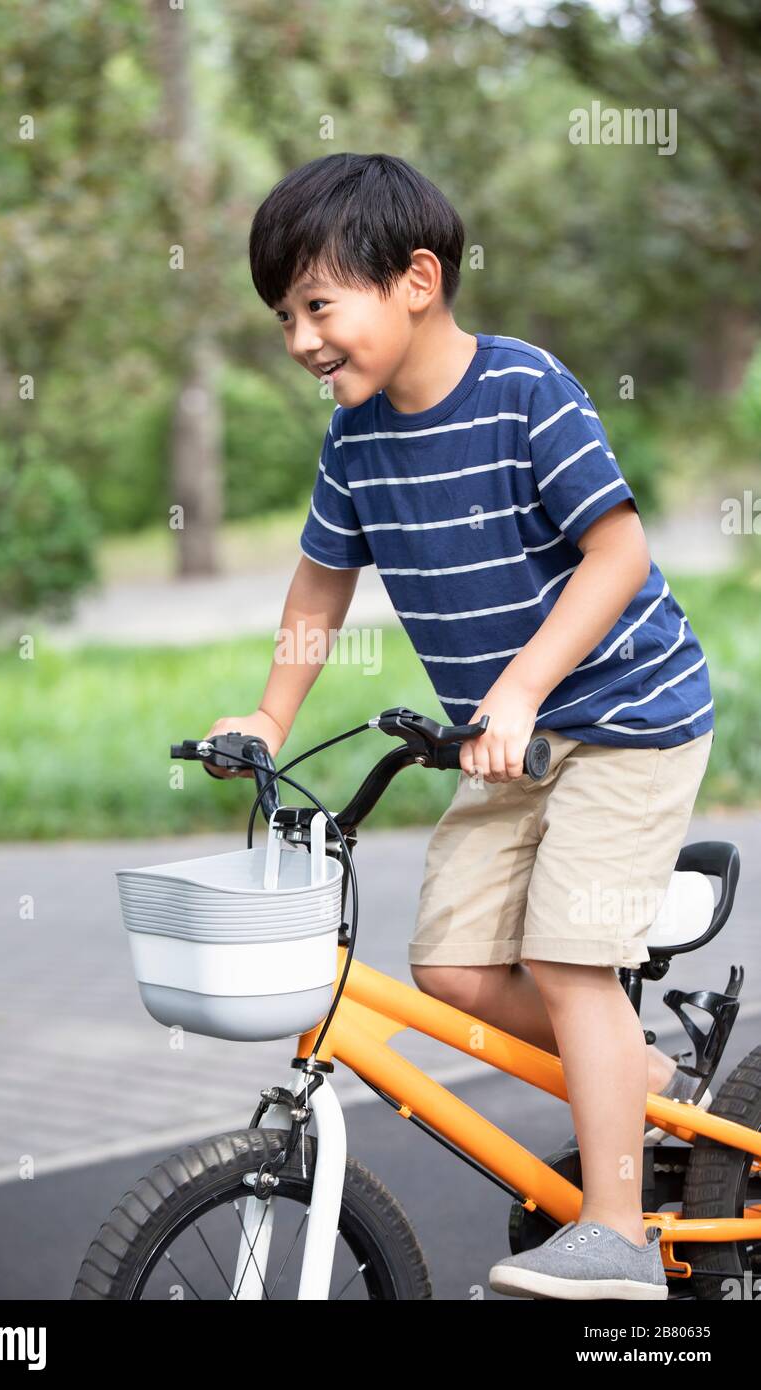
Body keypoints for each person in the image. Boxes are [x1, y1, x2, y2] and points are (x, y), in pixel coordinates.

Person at [206, 152, 715, 1300]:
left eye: (317, 304)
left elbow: (617, 548)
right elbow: (318, 584)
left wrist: (526, 684)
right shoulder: (355, 441)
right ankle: (640, 1072)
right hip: (501, 741)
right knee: (447, 962)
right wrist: (269, 715)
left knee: (563, 955)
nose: (299, 338)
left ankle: (621, 1233)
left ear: (416, 280)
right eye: (284, 315)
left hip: (624, 715)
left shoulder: (524, 389)